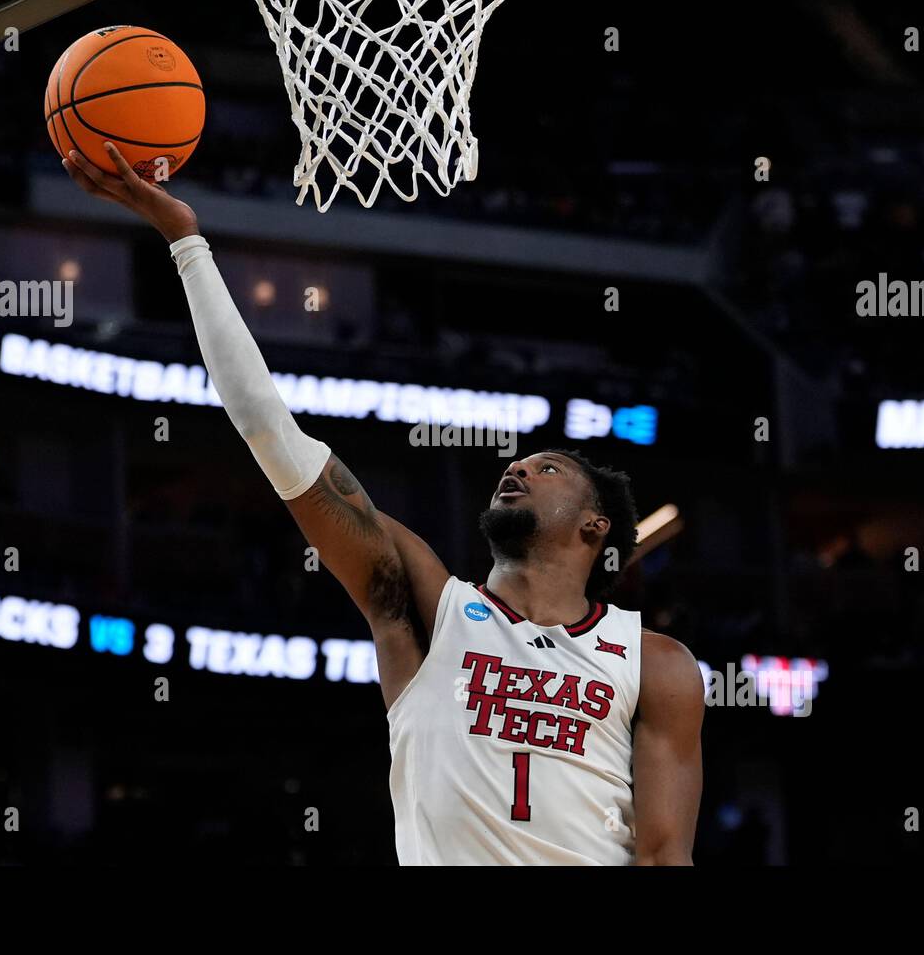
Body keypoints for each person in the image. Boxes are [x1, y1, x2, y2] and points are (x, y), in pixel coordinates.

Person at [61, 143, 705, 865]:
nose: (515, 471)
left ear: (597, 524)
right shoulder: (429, 609)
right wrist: (186, 242)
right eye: (514, 465)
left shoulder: (655, 663)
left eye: (546, 467)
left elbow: (663, 858)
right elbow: (270, 430)